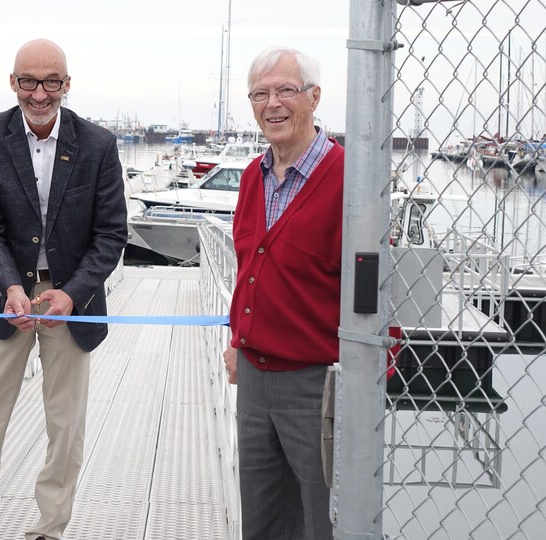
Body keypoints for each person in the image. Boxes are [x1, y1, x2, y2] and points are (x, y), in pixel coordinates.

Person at [0, 38, 127, 540]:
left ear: (67, 84)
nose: (41, 94)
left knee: (66, 424)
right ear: (13, 82)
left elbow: (111, 233)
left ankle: (49, 529)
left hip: (70, 299)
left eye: (52, 81)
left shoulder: (98, 144)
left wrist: (74, 292)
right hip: (5, 294)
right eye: (29, 82)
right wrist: (10, 285)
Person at [222, 46, 343, 540]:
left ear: (314, 97)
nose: (272, 103)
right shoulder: (253, 176)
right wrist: (236, 336)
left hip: (316, 382)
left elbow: (379, 288)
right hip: (253, 377)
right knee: (263, 517)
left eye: (285, 90)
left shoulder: (347, 180)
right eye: (260, 93)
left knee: (321, 519)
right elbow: (248, 267)